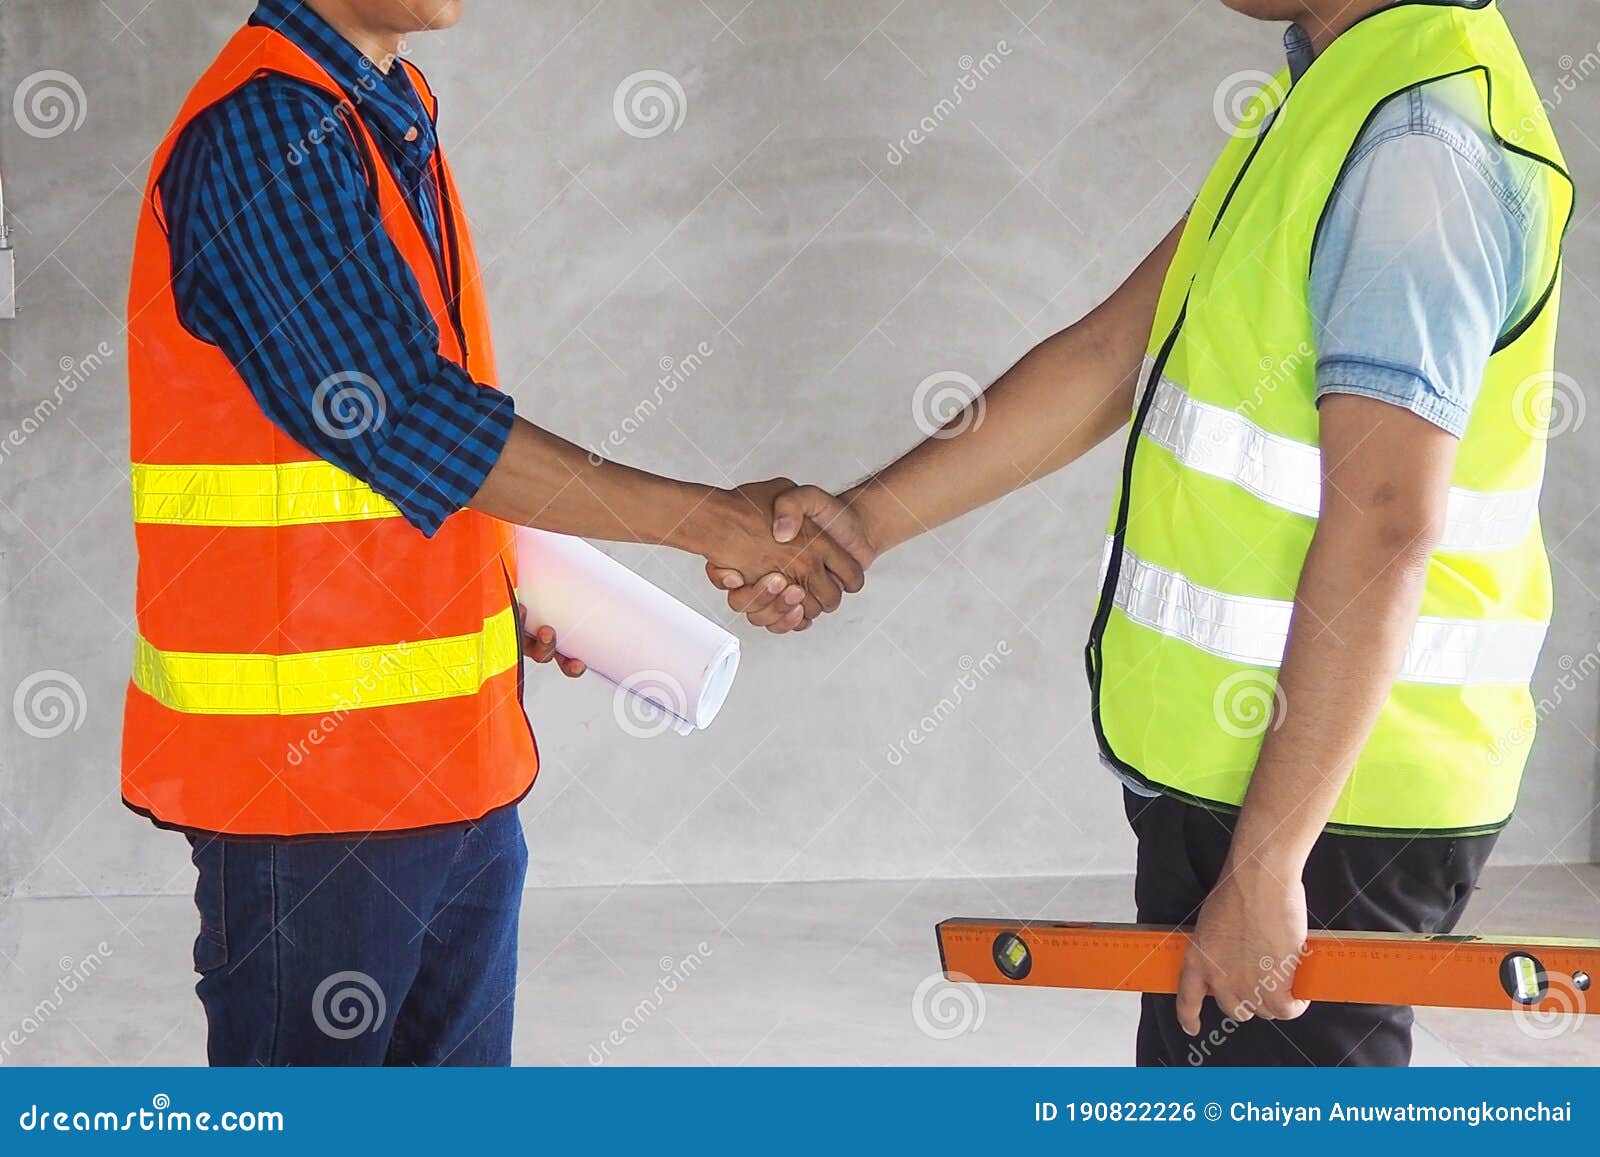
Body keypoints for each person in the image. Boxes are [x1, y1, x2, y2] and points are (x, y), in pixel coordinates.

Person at [717, 0, 1572, 1065]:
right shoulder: (1338, 96)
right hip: (1255, 783)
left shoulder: (1415, 143)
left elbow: (1387, 523)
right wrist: (864, 523)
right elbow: (1107, 356)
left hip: (1327, 808)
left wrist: (1267, 863)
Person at [123, 0, 863, 1066]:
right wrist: (713, 519)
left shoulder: (382, 112)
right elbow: (400, 415)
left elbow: (371, 477)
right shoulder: (263, 132)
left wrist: (488, 586)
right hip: (313, 799)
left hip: (455, 776)